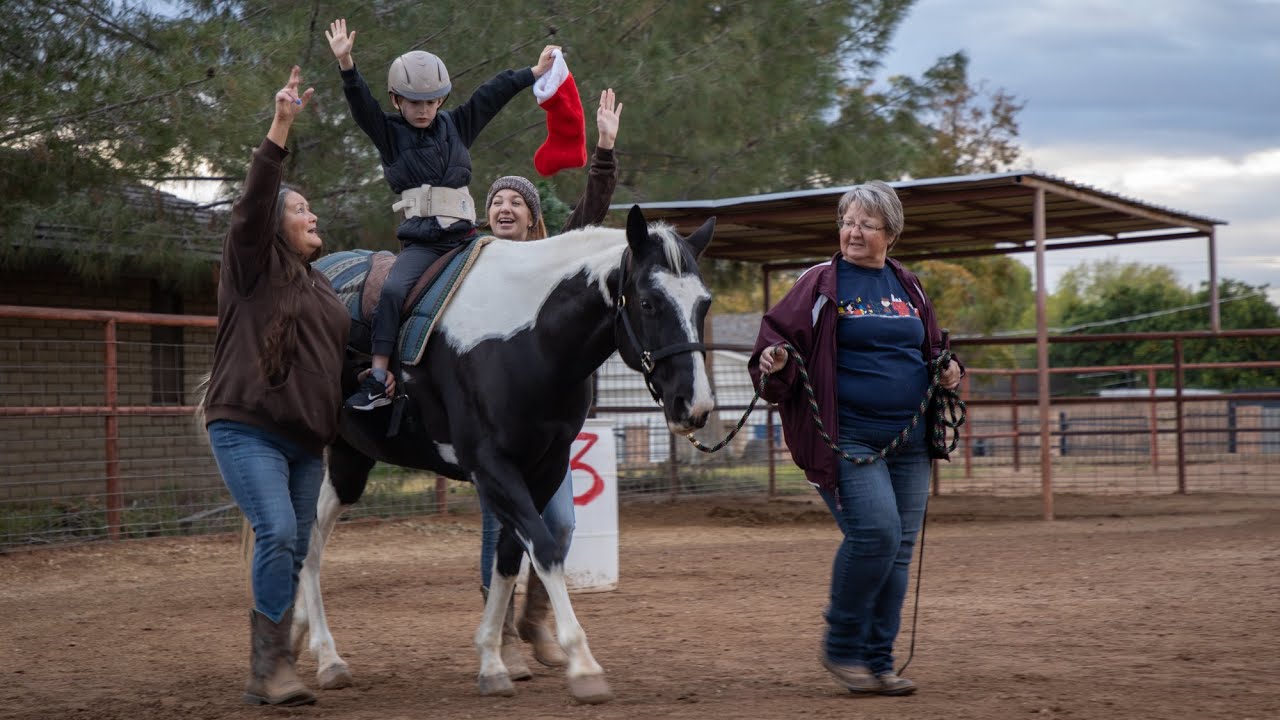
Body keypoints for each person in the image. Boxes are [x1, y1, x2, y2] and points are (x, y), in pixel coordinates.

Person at [749, 180, 962, 697]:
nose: (853, 232)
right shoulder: (821, 282)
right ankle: (843, 646)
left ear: (891, 232)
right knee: (877, 534)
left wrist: (950, 368)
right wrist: (773, 363)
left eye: (866, 224)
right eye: (847, 221)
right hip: (847, 438)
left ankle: (878, 662)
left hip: (909, 440)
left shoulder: (907, 285)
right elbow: (775, 344)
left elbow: (933, 346)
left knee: (899, 549)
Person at [203, 66, 350, 707]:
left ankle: (272, 667)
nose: (311, 213)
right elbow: (255, 199)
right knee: (281, 533)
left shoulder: (322, 288)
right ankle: (271, 665)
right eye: (298, 209)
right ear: (272, 225)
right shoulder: (250, 266)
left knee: (292, 551)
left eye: (310, 207)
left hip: (304, 441)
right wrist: (281, 125)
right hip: (247, 427)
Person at [325, 18, 559, 410]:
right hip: (423, 245)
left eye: (432, 101)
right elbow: (361, 105)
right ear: (397, 101)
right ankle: (380, 376)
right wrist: (347, 65)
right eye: (415, 102)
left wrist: (533, 73)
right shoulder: (389, 135)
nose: (424, 109)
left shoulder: (458, 125)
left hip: (466, 239)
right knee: (393, 292)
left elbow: (492, 93)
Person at [477, 89, 622, 680]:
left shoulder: (553, 263)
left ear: (534, 217)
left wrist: (605, 150)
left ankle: (534, 620)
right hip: (491, 424)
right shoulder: (474, 261)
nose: (505, 207)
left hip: (547, 427)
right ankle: (501, 632)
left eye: (516, 200)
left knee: (558, 522)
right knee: (500, 526)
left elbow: (590, 214)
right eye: (497, 201)